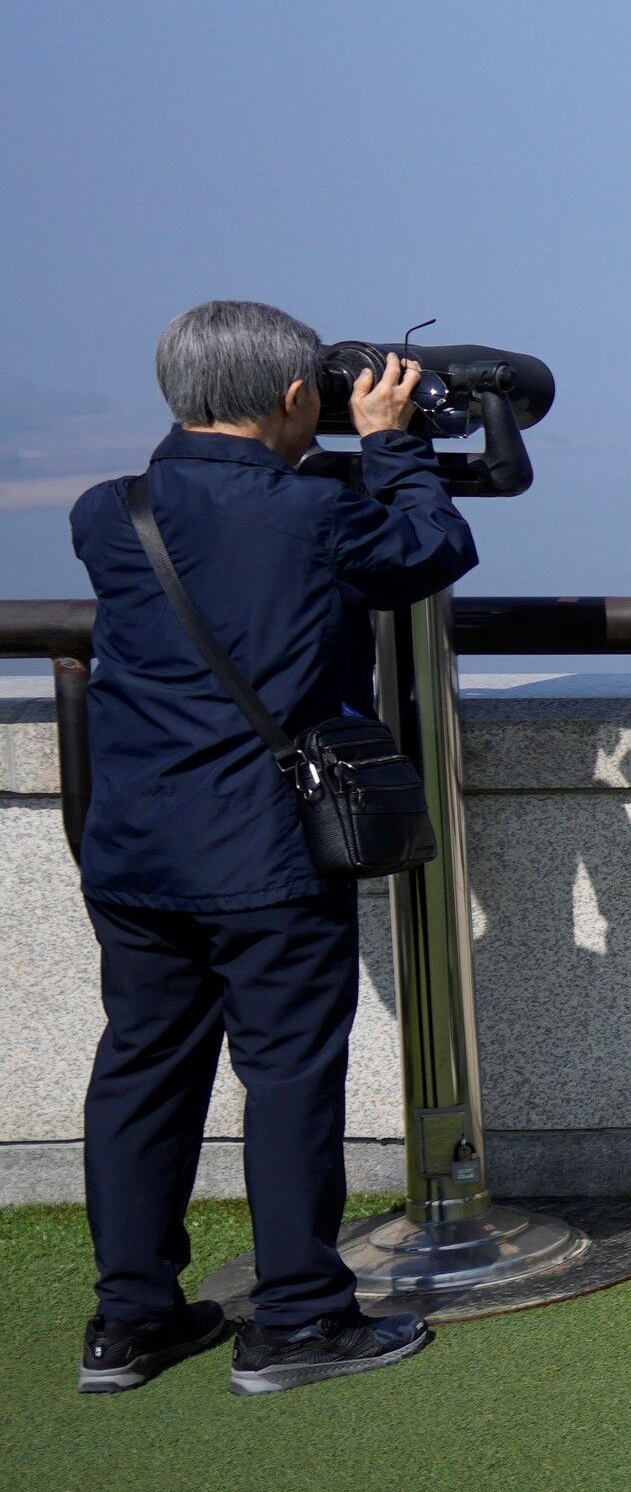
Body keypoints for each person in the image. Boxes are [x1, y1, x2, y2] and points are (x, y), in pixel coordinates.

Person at [67, 301, 471, 1395]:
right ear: (300, 398)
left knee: (142, 1070)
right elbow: (433, 547)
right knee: (288, 1074)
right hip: (265, 850)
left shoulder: (108, 513)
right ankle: (296, 1319)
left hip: (136, 849)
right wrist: (390, 441)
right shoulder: (313, 515)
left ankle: (131, 1322)